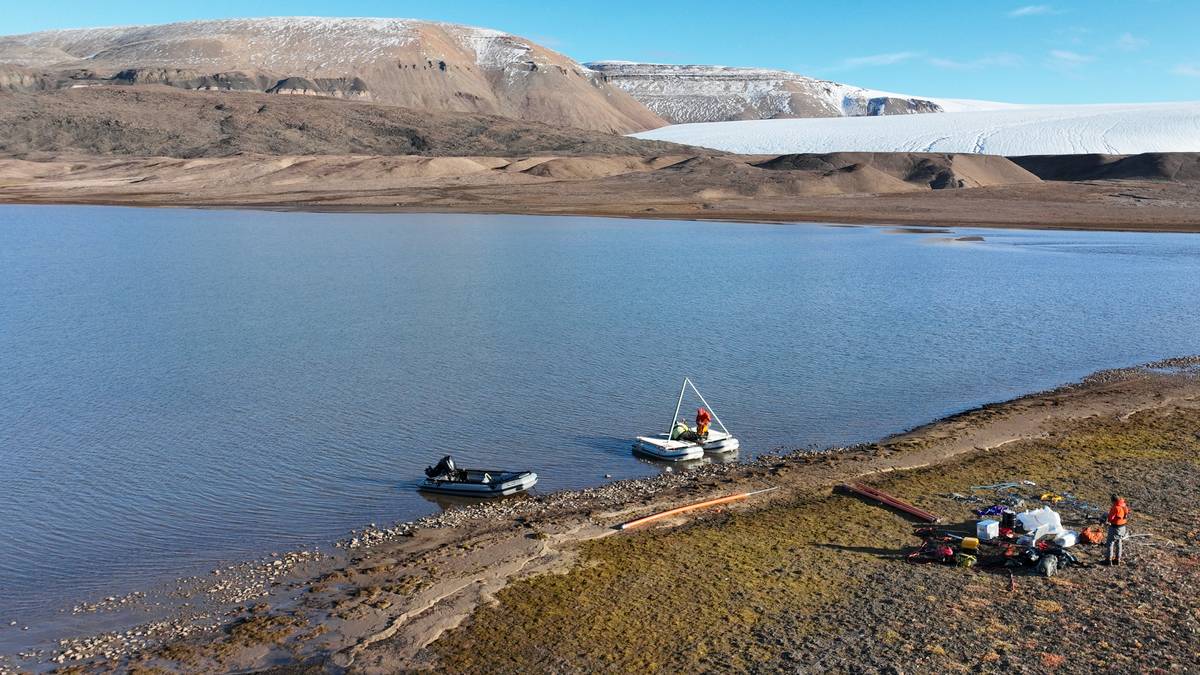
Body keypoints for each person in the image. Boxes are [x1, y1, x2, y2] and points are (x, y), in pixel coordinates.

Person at [1105, 495, 1130, 566]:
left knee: (1110, 543)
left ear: (1113, 501)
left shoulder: (1116, 507)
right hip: (1123, 527)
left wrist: (1107, 521)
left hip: (1115, 528)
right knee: (1119, 542)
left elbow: (1110, 518)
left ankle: (1108, 560)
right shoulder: (1124, 505)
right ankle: (1117, 560)